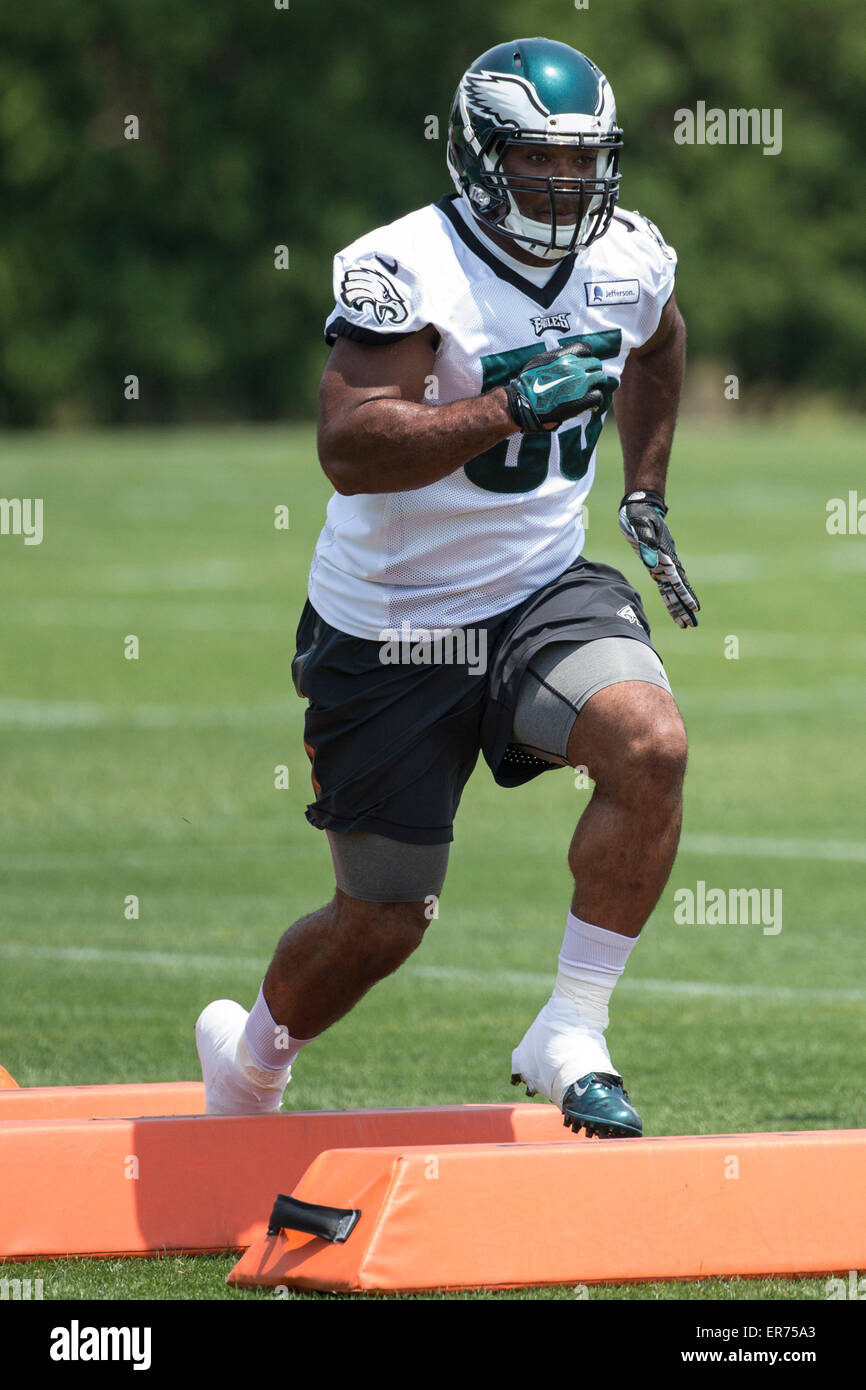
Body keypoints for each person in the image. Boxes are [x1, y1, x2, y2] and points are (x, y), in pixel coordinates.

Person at [196, 36, 699, 1139]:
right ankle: (248, 1055)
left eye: (583, 162)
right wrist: (509, 409)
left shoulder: (626, 256)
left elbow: (657, 344)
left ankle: (569, 1024)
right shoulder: (404, 264)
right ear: (478, 155)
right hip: (389, 627)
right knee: (382, 919)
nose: (567, 187)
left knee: (648, 742)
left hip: (537, 589)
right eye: (539, 160)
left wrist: (644, 489)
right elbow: (351, 444)